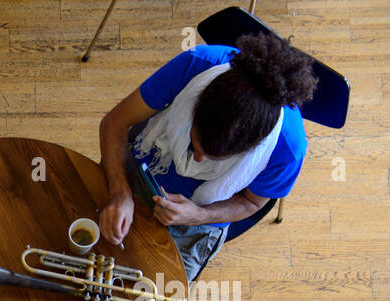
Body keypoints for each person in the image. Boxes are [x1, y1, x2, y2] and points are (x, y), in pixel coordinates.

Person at [98, 34, 316, 280]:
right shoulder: (195, 63)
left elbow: (253, 203)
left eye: (214, 158)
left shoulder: (288, 150)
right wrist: (119, 192)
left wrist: (198, 215)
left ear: (249, 150)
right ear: (195, 104)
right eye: (194, 144)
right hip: (136, 168)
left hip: (198, 219)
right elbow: (115, 122)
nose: (197, 160)